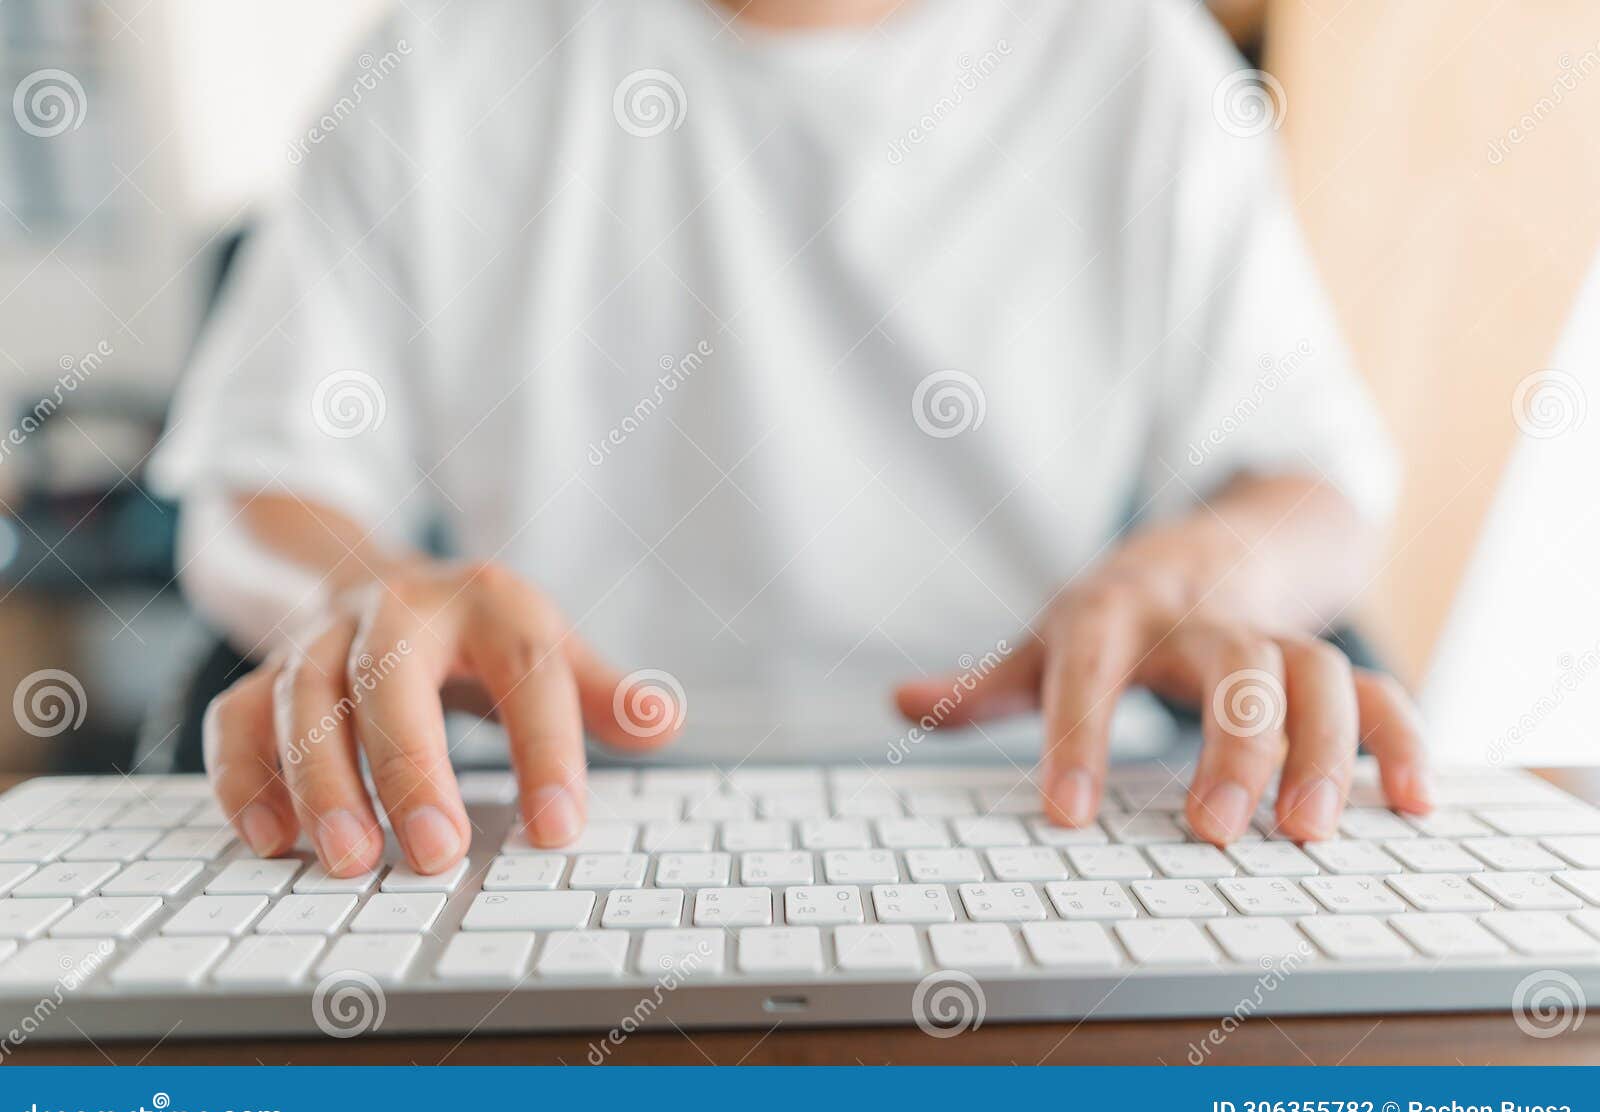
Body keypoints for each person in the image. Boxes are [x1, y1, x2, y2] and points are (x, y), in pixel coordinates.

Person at [151, 0, 1428, 879]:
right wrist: (369, 596)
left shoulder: (1138, 59)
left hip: (1065, 799)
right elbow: (257, 488)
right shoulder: (441, 55)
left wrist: (1194, 574)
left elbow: (1311, 481)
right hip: (519, 813)